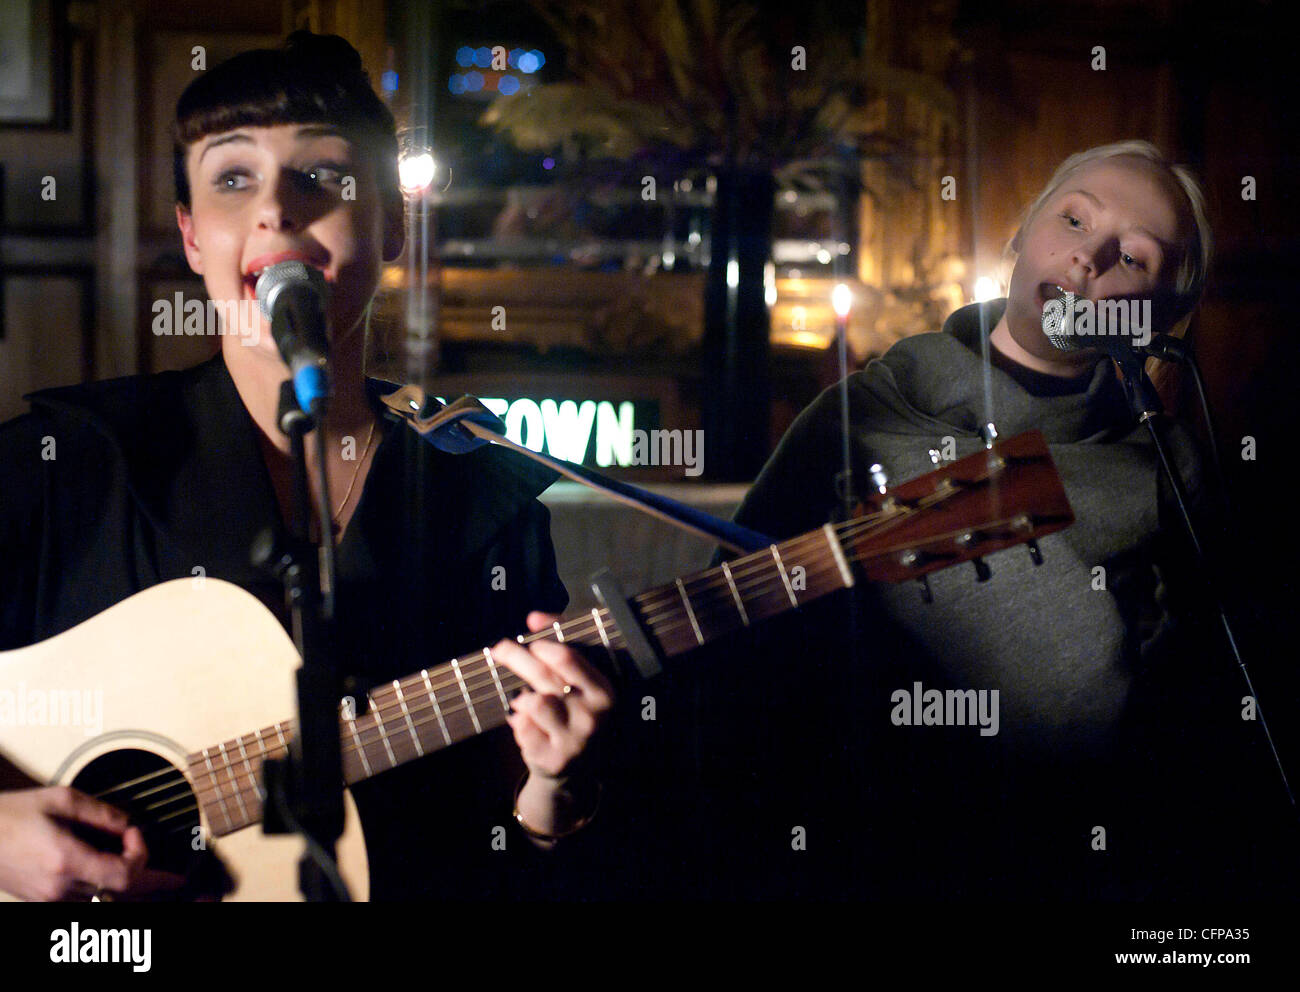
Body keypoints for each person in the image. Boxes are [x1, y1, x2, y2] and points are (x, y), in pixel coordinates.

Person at [0, 31, 612, 902]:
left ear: (393, 224)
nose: (276, 212)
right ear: (190, 236)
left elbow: (497, 854)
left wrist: (556, 786)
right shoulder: (72, 462)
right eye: (232, 178)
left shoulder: (485, 499)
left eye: (321, 178)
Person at [655, 140, 1296, 900]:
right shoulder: (861, 414)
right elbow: (726, 636)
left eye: (1133, 257)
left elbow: (1211, 711)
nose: (1090, 257)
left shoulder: (1167, 462)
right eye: (1073, 219)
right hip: (845, 847)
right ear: (1021, 236)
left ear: (1161, 315)